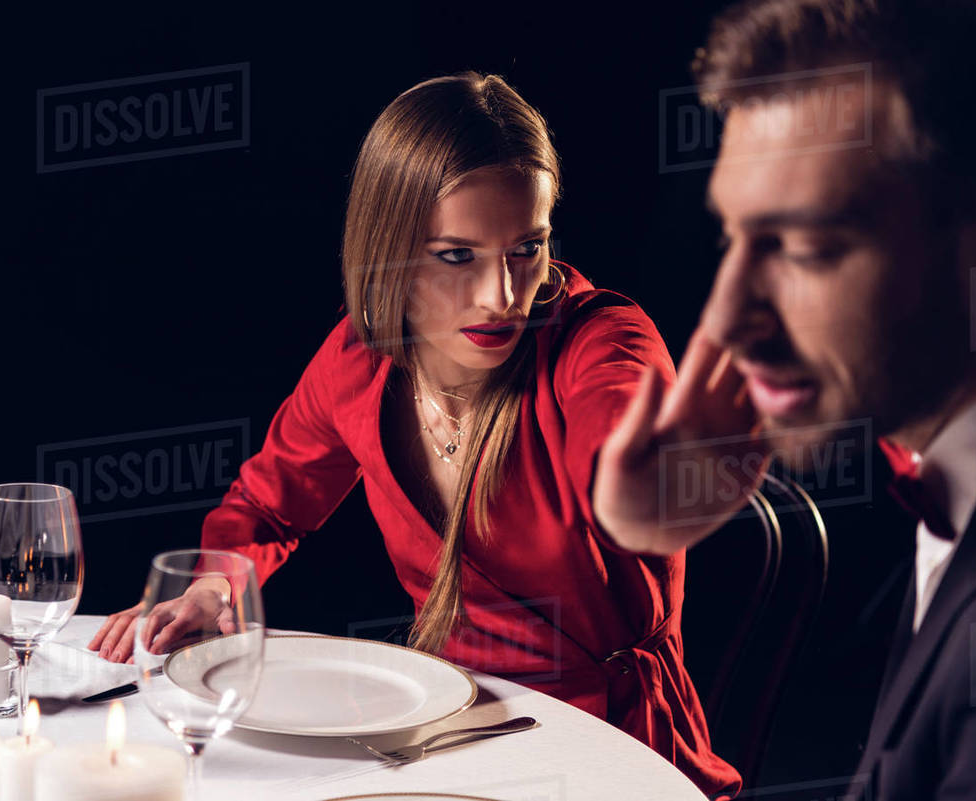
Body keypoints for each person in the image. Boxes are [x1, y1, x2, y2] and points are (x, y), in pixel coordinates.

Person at [87, 72, 741, 798]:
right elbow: (270, 505)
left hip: (614, 750)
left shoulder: (601, 341)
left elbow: (624, 442)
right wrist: (215, 583)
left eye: (528, 248)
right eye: (458, 255)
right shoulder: (359, 361)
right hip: (451, 735)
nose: (501, 294)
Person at [591, 1, 976, 798]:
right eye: (734, 238)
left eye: (803, 249)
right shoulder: (967, 451)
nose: (727, 319)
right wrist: (637, 537)